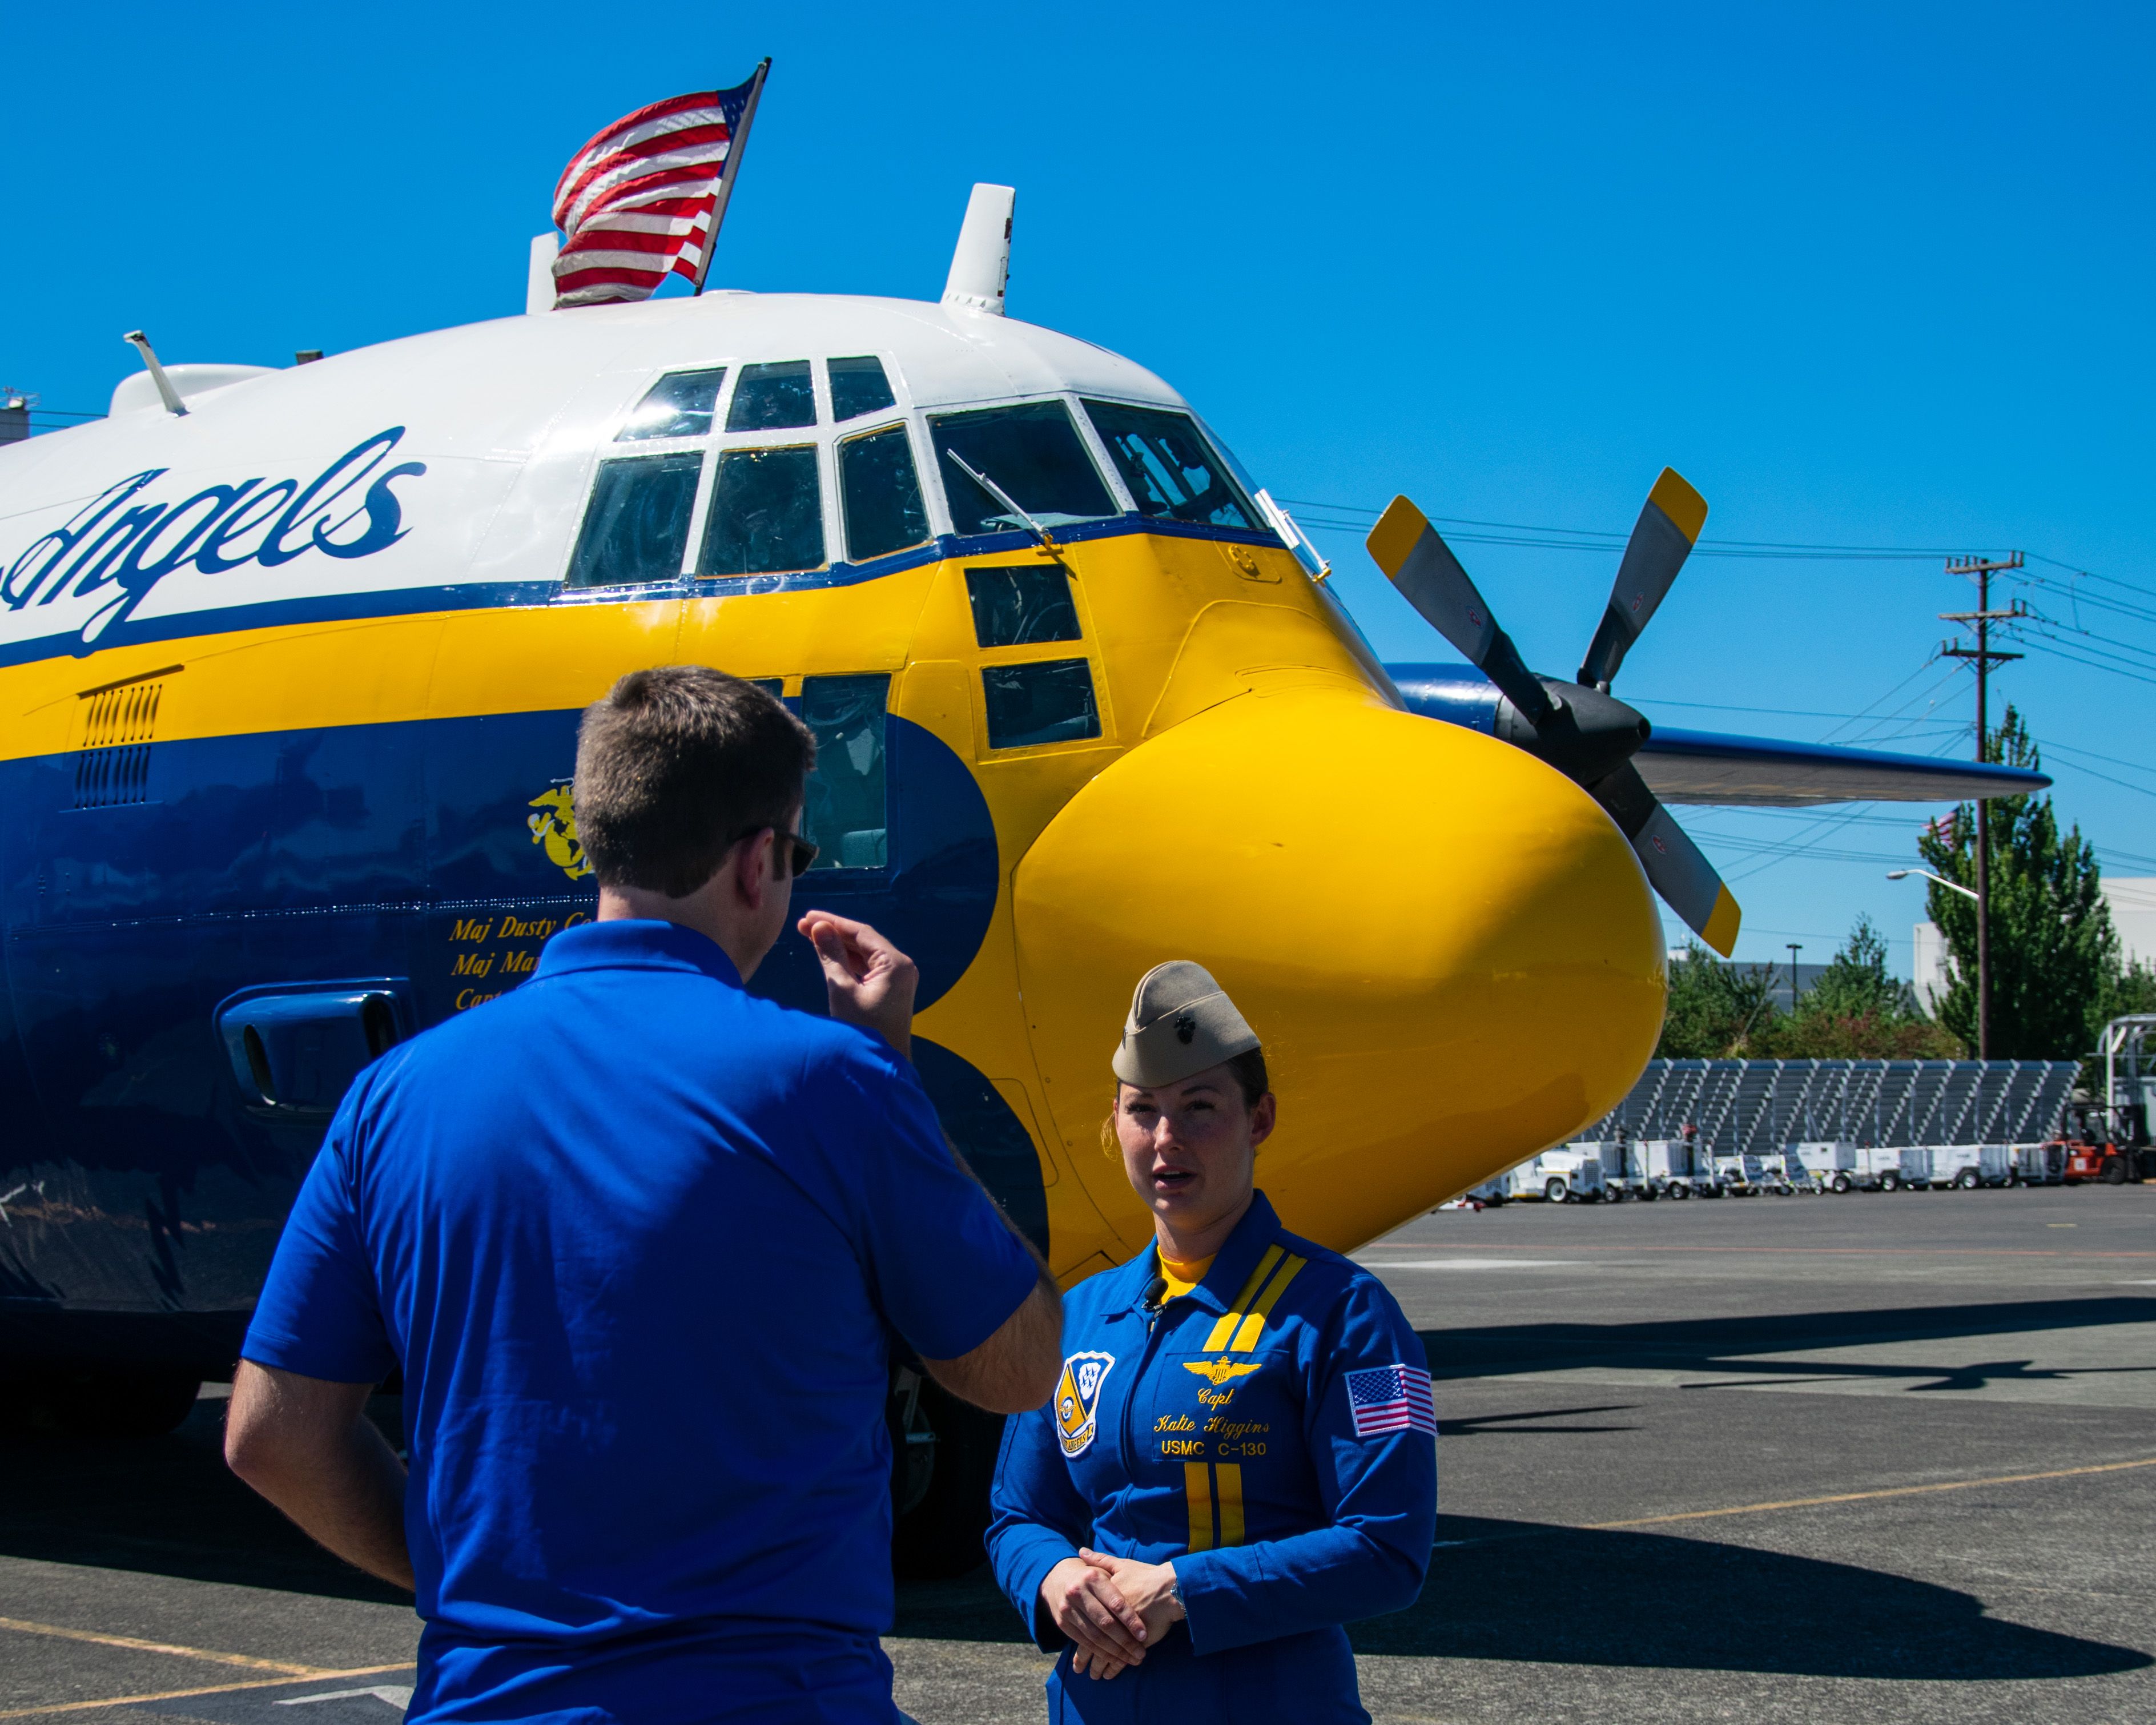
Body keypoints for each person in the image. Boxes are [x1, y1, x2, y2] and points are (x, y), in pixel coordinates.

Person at [226, 666, 1062, 1724]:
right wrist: (890, 1073)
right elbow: (1021, 1365)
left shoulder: (392, 1096)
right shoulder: (832, 1081)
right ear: (758, 863)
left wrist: (475, 1587)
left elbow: (270, 1434)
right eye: (797, 854)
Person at [986, 962, 1436, 1723]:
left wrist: (1180, 1590)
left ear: (1259, 1119)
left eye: (1199, 1107)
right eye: (1143, 1110)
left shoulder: (1347, 1314)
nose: (1167, 1139)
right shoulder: (1078, 1315)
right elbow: (1016, 1516)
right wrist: (1056, 1579)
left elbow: (1387, 1549)